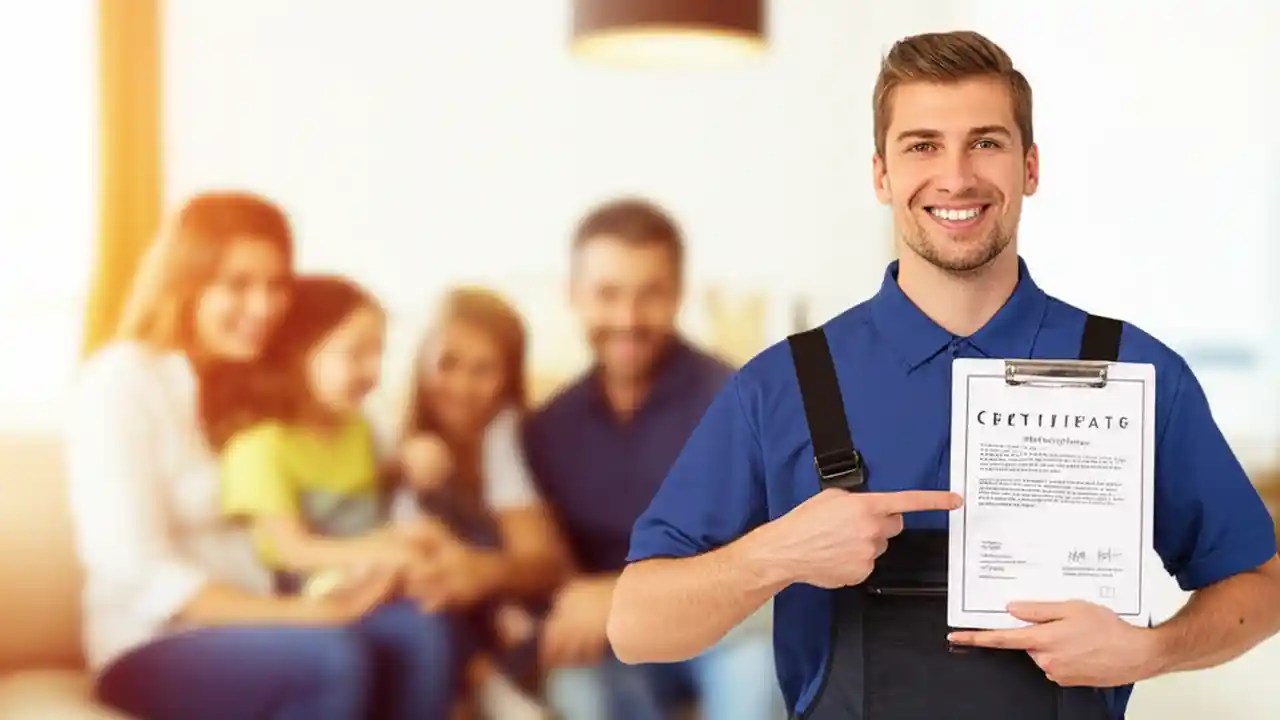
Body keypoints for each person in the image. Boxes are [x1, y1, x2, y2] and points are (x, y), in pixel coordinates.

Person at [606, 30, 1280, 720]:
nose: (955, 177)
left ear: (1031, 167)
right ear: (881, 175)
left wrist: (1150, 650)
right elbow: (635, 627)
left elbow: (1262, 584)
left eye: (985, 142)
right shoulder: (783, 385)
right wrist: (776, 555)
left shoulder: (1135, 373)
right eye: (922, 145)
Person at [64, 193, 458, 720]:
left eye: (276, 285)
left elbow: (356, 441)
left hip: (270, 620)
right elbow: (133, 566)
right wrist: (296, 614)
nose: (264, 306)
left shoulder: (257, 380)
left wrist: (409, 457)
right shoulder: (121, 381)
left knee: (422, 635)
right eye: (238, 284)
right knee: (332, 659)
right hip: (153, 641)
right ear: (186, 284)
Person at [523, 199, 784, 720]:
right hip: (614, 644)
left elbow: (778, 560)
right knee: (575, 684)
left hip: (722, 630)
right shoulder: (547, 426)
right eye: (607, 294)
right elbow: (549, 567)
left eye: (650, 294)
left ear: (678, 296)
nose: (627, 318)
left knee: (758, 668)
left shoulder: (735, 399)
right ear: (573, 295)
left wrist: (622, 595)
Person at [393, 287, 571, 717]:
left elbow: (543, 562)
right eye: (447, 363)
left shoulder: (503, 435)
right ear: (421, 361)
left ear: (507, 380)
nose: (460, 386)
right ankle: (480, 679)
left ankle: (488, 682)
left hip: (507, 607)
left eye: (483, 371)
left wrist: (479, 572)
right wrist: (397, 465)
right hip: (431, 601)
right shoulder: (391, 436)